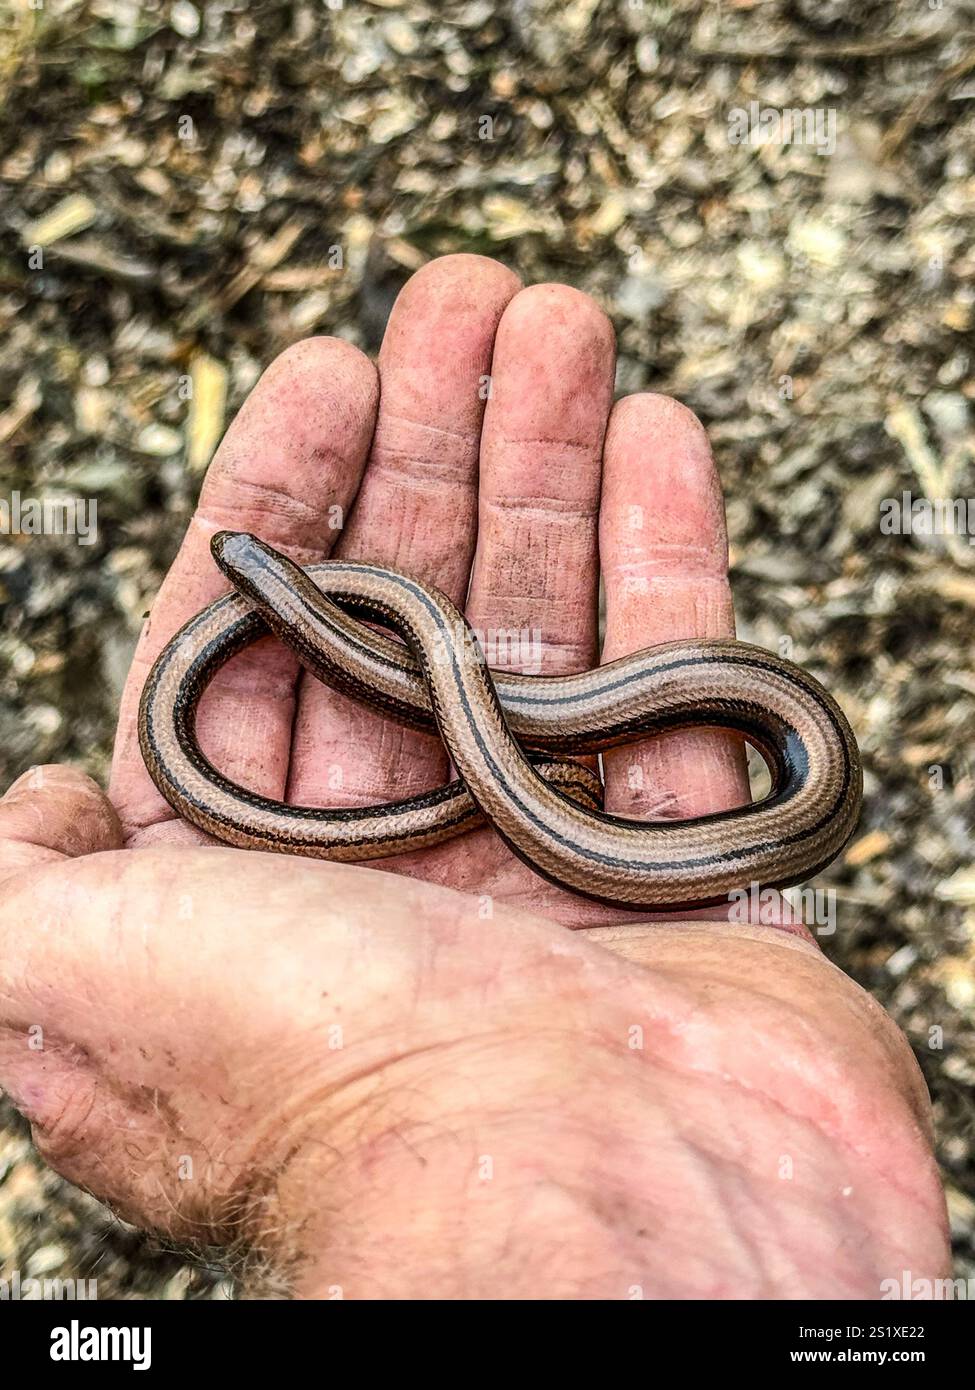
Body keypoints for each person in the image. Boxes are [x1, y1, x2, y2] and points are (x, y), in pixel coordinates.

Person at [0, 255, 949, 1299]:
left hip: (714, 804)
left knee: (480, 706)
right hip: (686, 810)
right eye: (255, 581)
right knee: (487, 711)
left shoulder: (373, 636)